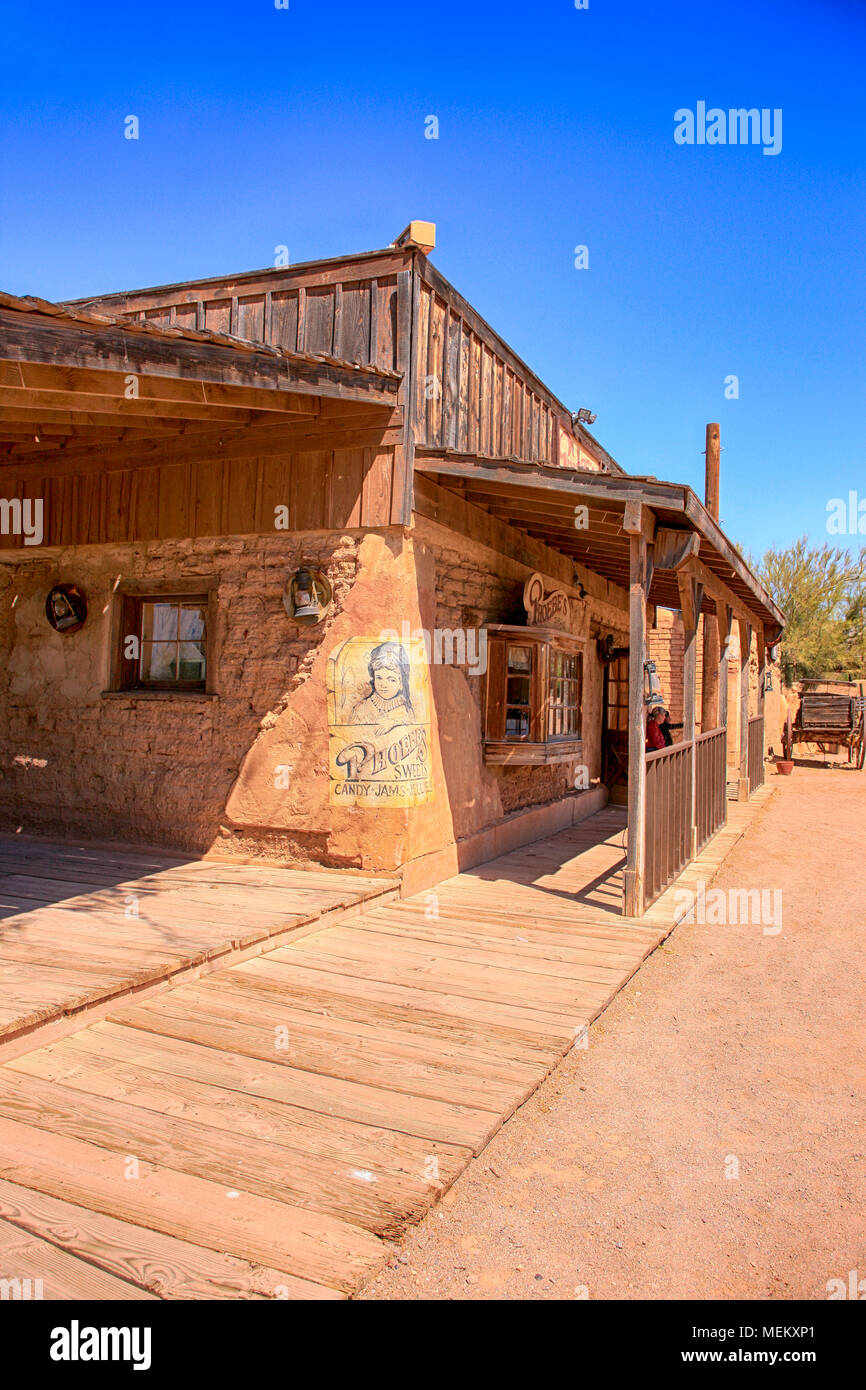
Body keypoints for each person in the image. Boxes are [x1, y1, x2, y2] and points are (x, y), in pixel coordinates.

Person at [350, 641, 415, 731]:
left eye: (391, 679)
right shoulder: (361, 710)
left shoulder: (406, 711)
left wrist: (394, 723)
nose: (384, 685)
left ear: (401, 683)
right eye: (379, 678)